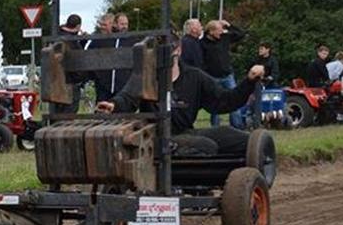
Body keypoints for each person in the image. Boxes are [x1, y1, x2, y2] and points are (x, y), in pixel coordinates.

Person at [98, 37, 264, 158]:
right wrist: (114, 105)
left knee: (244, 140)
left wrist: (248, 81)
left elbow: (224, 100)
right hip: (155, 137)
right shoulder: (147, 78)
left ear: (178, 50)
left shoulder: (195, 77)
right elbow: (127, 97)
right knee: (205, 146)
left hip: (185, 132)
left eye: (168, 50)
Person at [200, 19, 245, 127]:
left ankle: (237, 126)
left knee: (235, 100)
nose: (221, 32)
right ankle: (215, 127)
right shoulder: (202, 44)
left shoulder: (224, 38)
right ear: (211, 32)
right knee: (215, 104)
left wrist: (229, 25)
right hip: (212, 77)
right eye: (219, 31)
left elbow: (241, 34)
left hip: (227, 76)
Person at [52, 13, 85, 114]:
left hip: (57, 82)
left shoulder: (57, 35)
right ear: (78, 26)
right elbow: (77, 58)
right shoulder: (71, 41)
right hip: (71, 81)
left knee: (58, 111)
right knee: (69, 113)